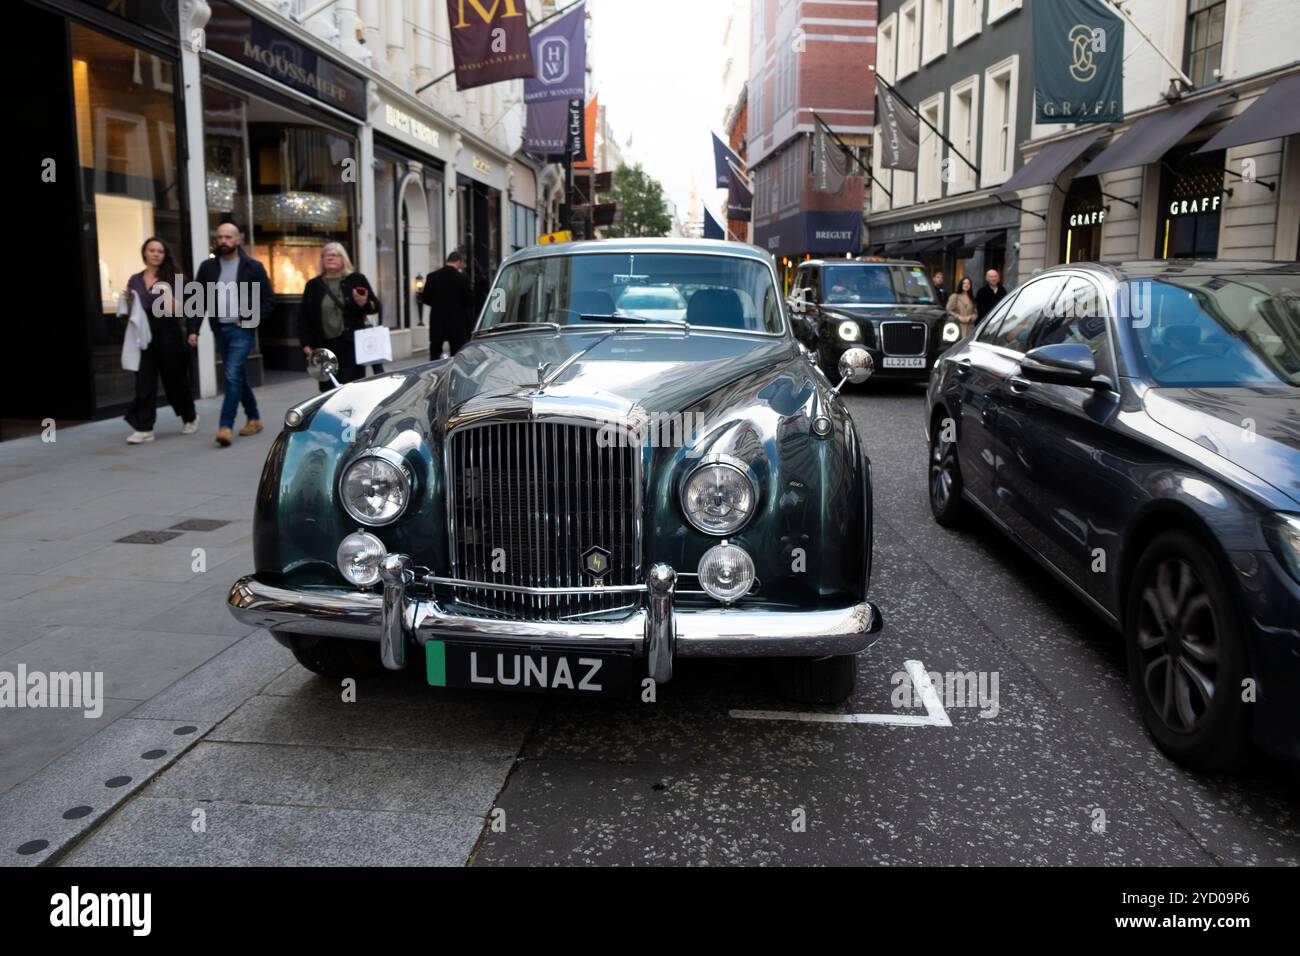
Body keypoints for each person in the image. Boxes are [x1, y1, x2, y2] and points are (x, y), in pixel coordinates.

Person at [187, 220, 273, 447]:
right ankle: (254, 418)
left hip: (242, 330)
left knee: (232, 374)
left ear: (238, 239)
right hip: (220, 328)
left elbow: (268, 300)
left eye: (228, 237)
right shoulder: (208, 267)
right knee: (237, 375)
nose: (223, 241)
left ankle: (225, 426)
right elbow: (198, 300)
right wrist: (194, 329)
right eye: (220, 237)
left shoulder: (252, 267)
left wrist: (251, 318)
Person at [119, 237, 198, 444]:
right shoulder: (135, 279)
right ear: (144, 253)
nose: (155, 254)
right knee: (144, 381)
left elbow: (182, 310)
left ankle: (189, 416)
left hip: (168, 332)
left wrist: (167, 296)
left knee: (175, 380)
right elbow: (130, 308)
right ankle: (144, 428)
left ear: (164, 255)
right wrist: (126, 300)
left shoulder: (174, 278)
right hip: (143, 334)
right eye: (151, 250)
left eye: (159, 251)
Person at [300, 242, 381, 392]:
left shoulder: (356, 279)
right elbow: (304, 317)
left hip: (351, 344)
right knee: (328, 389)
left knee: (351, 387)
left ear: (343, 259)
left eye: (335, 255)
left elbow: (375, 307)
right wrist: (306, 344)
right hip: (324, 346)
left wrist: (364, 303)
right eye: (326, 255)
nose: (330, 258)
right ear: (322, 260)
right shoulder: (313, 285)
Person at [419, 251, 475, 358]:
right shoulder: (462, 279)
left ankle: (434, 373)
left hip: (437, 322)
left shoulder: (432, 277)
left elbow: (425, 298)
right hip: (457, 324)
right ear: (458, 262)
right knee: (456, 355)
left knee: (435, 353)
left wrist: (437, 304)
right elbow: (470, 301)